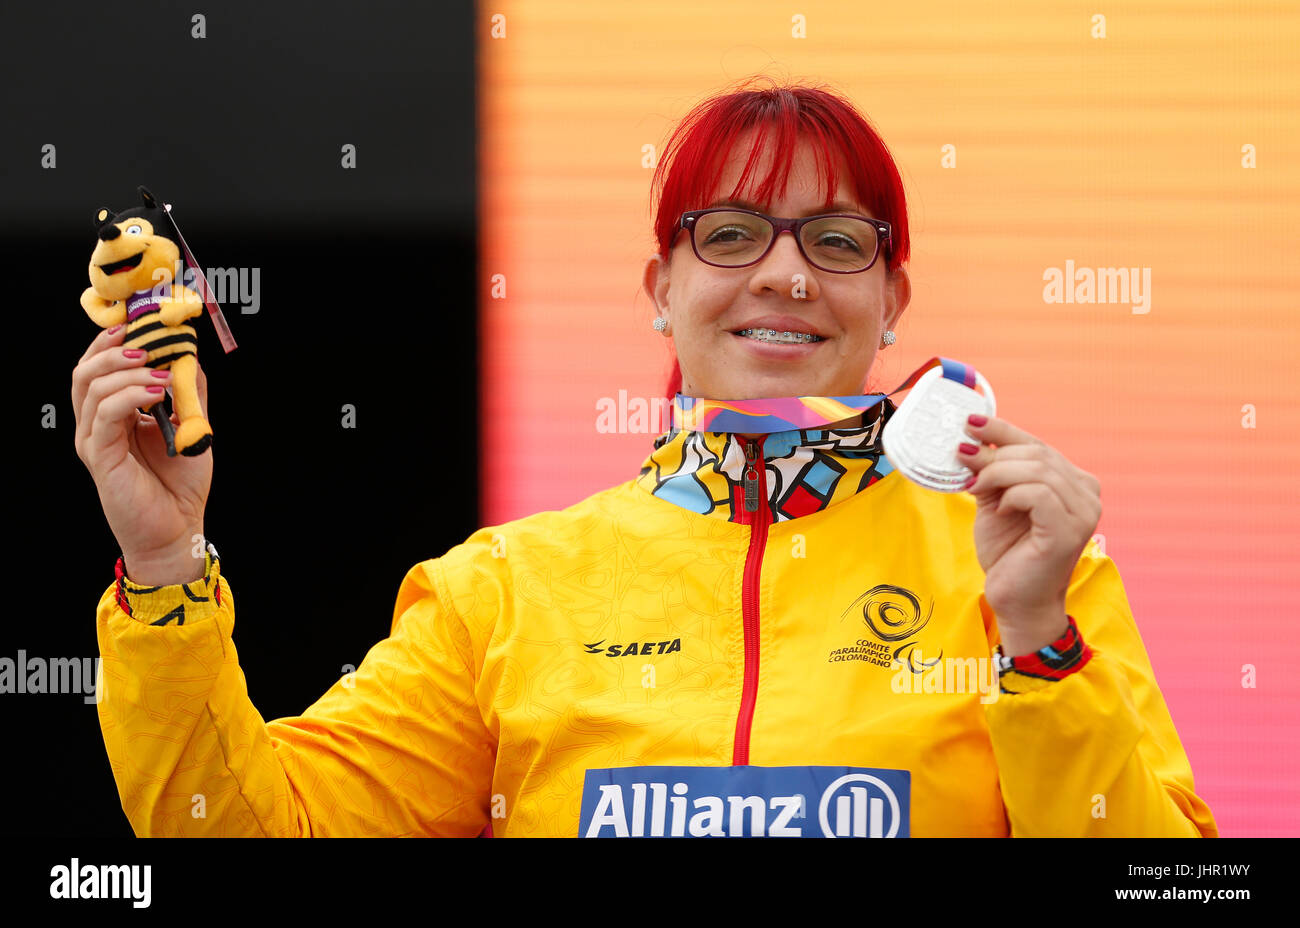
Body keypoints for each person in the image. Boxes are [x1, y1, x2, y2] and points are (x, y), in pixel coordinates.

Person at [75, 78, 1217, 838]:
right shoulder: (504, 592)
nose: (785, 275)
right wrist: (165, 561)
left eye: (835, 240)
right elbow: (237, 828)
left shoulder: (1020, 570)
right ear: (659, 291)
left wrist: (1041, 647)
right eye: (728, 234)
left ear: (891, 298)